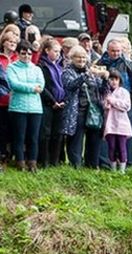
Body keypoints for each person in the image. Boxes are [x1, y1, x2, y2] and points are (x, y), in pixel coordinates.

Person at [61, 45, 105, 168]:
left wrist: (105, 78)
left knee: (94, 137)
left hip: (93, 110)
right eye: (78, 58)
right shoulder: (67, 71)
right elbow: (70, 85)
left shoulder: (92, 71)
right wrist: (86, 75)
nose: (82, 61)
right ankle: (76, 164)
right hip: (76, 110)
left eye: (84, 58)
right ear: (72, 58)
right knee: (76, 139)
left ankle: (92, 164)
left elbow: (101, 88)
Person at [6, 38, 42, 171]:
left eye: (29, 54)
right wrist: (32, 88)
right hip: (18, 107)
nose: (26, 56)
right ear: (18, 54)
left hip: (35, 108)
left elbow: (41, 85)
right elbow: (14, 84)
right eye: (23, 53)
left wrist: (29, 87)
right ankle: (20, 161)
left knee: (33, 137)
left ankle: (32, 162)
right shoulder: (12, 67)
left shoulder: (36, 69)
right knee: (19, 136)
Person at [37, 37, 64, 167]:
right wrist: (52, 101)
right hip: (47, 104)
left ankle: (55, 160)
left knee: (58, 133)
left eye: (59, 52)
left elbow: (63, 85)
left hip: (61, 103)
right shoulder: (41, 66)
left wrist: (63, 100)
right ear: (47, 50)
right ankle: (44, 160)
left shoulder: (60, 66)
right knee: (45, 134)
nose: (58, 54)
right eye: (55, 51)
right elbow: (43, 86)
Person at [102, 70, 131, 173]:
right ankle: (113, 169)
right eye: (111, 79)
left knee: (122, 146)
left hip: (122, 124)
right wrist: (107, 103)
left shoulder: (124, 92)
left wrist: (113, 101)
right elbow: (104, 105)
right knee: (112, 146)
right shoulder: (106, 92)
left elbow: (126, 106)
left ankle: (122, 170)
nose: (113, 82)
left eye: (116, 79)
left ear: (119, 80)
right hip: (110, 123)